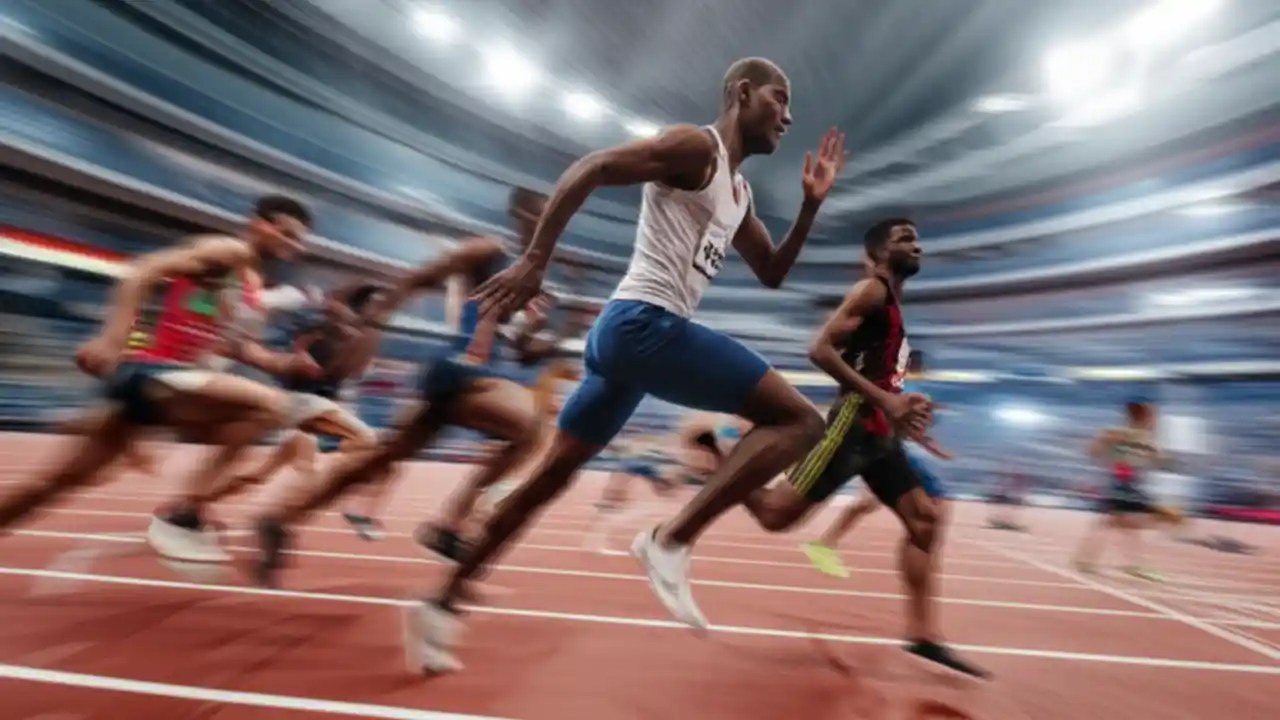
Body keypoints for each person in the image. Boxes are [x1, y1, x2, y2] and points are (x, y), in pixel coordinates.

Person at [404, 57, 898, 674]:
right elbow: (594, 166)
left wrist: (809, 206)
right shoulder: (697, 148)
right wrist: (535, 260)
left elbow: (771, 272)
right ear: (743, 93)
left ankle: (441, 604)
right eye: (780, 98)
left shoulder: (738, 192)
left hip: (627, 346)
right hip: (643, 324)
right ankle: (671, 540)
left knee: (549, 480)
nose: (789, 116)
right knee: (800, 422)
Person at [251, 187, 557, 584]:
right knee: (535, 429)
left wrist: (538, 341)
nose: (548, 222)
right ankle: (451, 524)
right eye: (541, 213)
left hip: (475, 376)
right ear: (521, 214)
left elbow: (521, 349)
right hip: (463, 369)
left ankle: (282, 518)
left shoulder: (533, 280)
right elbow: (419, 277)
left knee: (378, 460)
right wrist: (376, 317)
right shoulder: (490, 250)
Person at [0, 195, 319, 562]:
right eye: (286, 233)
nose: (293, 246)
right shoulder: (228, 250)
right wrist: (112, 339)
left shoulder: (250, 281)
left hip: (166, 390)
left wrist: (282, 363)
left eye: (299, 240)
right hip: (156, 374)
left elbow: (239, 347)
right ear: (259, 224)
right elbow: (144, 271)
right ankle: (186, 512)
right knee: (276, 407)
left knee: (54, 483)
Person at [738, 218, 986, 679]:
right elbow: (820, 349)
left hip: (881, 436)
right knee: (774, 516)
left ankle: (923, 636)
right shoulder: (871, 290)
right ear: (876, 255)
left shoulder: (893, 307)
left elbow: (880, 376)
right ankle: (716, 457)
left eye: (917, 237)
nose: (916, 244)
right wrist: (886, 401)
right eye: (904, 239)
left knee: (925, 520)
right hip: (852, 427)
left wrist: (905, 411)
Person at [1072, 400, 1180, 581]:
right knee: (1161, 517)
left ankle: (1088, 559)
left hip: (1125, 484)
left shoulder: (1138, 438)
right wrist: (1113, 450)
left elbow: (1093, 451)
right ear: (1144, 417)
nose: (1155, 422)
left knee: (1115, 524)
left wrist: (1111, 450)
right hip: (1123, 485)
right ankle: (1124, 563)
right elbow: (1093, 451)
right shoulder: (1124, 435)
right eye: (1153, 417)